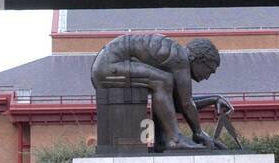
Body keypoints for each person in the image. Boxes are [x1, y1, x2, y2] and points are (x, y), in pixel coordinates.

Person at [91, 32, 220, 150]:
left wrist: (213, 100)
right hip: (107, 68)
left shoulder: (176, 55)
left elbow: (176, 104)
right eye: (209, 70)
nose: (207, 77)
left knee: (162, 83)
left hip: (106, 67)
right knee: (162, 81)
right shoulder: (180, 58)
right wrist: (198, 132)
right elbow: (186, 104)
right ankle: (174, 139)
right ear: (200, 59)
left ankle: (162, 141)